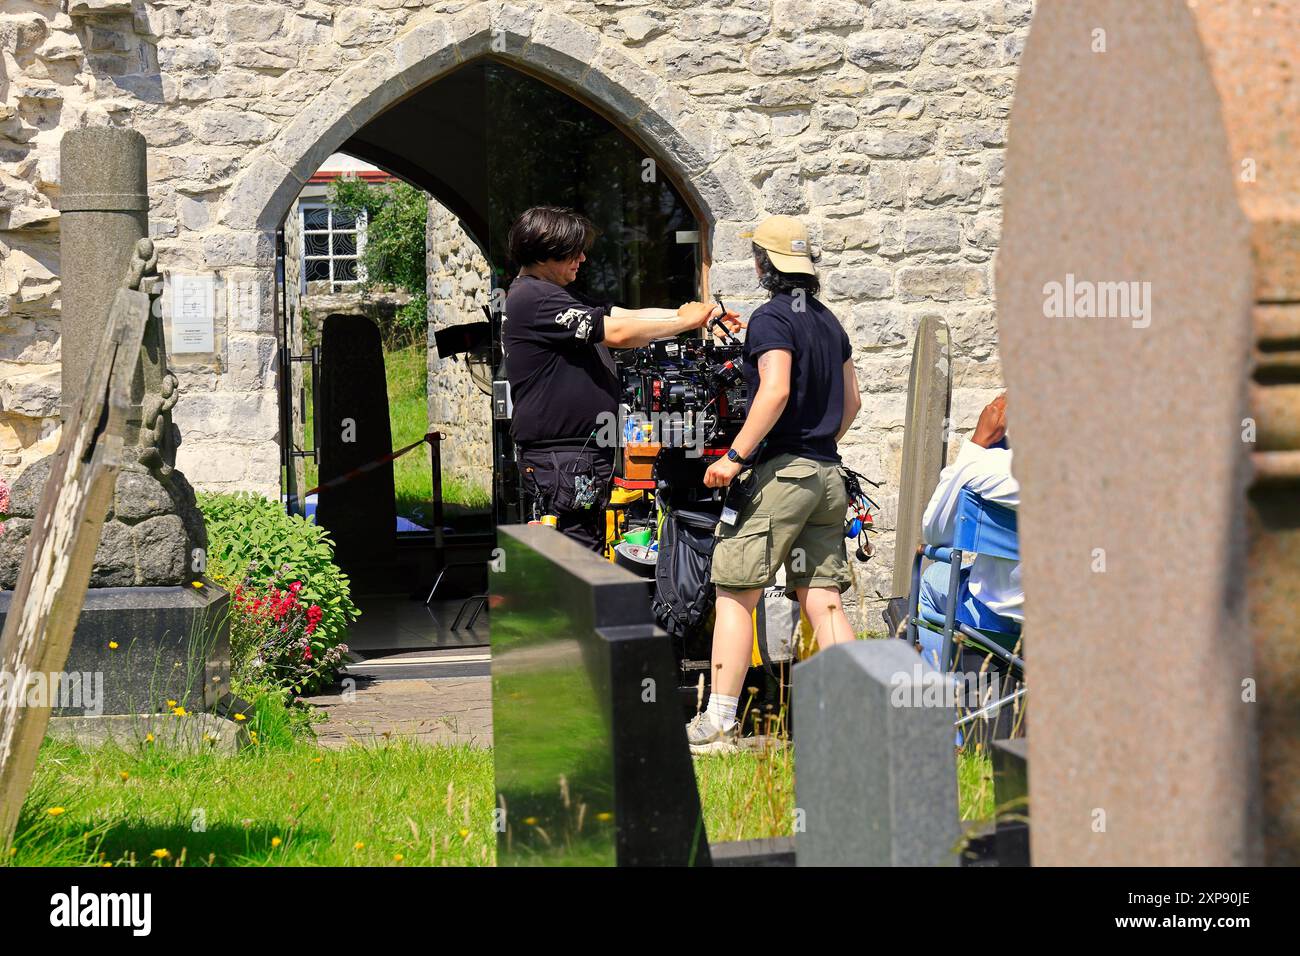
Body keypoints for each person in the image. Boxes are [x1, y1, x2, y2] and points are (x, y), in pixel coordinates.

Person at [687, 215, 862, 753]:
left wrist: (735, 458)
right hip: (829, 477)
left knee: (737, 590)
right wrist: (818, 444)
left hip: (783, 475)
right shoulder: (829, 322)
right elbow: (851, 403)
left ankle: (717, 724)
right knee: (824, 600)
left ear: (765, 264)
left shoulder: (770, 318)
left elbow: (776, 389)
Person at [503, 206, 740, 551]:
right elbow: (616, 332)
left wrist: (699, 315)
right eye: (574, 250)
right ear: (545, 251)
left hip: (573, 456)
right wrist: (685, 323)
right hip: (562, 458)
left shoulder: (552, 295)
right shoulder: (534, 298)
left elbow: (623, 315)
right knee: (576, 562)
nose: (582, 258)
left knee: (581, 556)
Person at [916, 393, 1021, 669]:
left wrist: (977, 445)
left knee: (930, 579)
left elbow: (935, 532)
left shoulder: (995, 469)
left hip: (1003, 623)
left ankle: (938, 699)